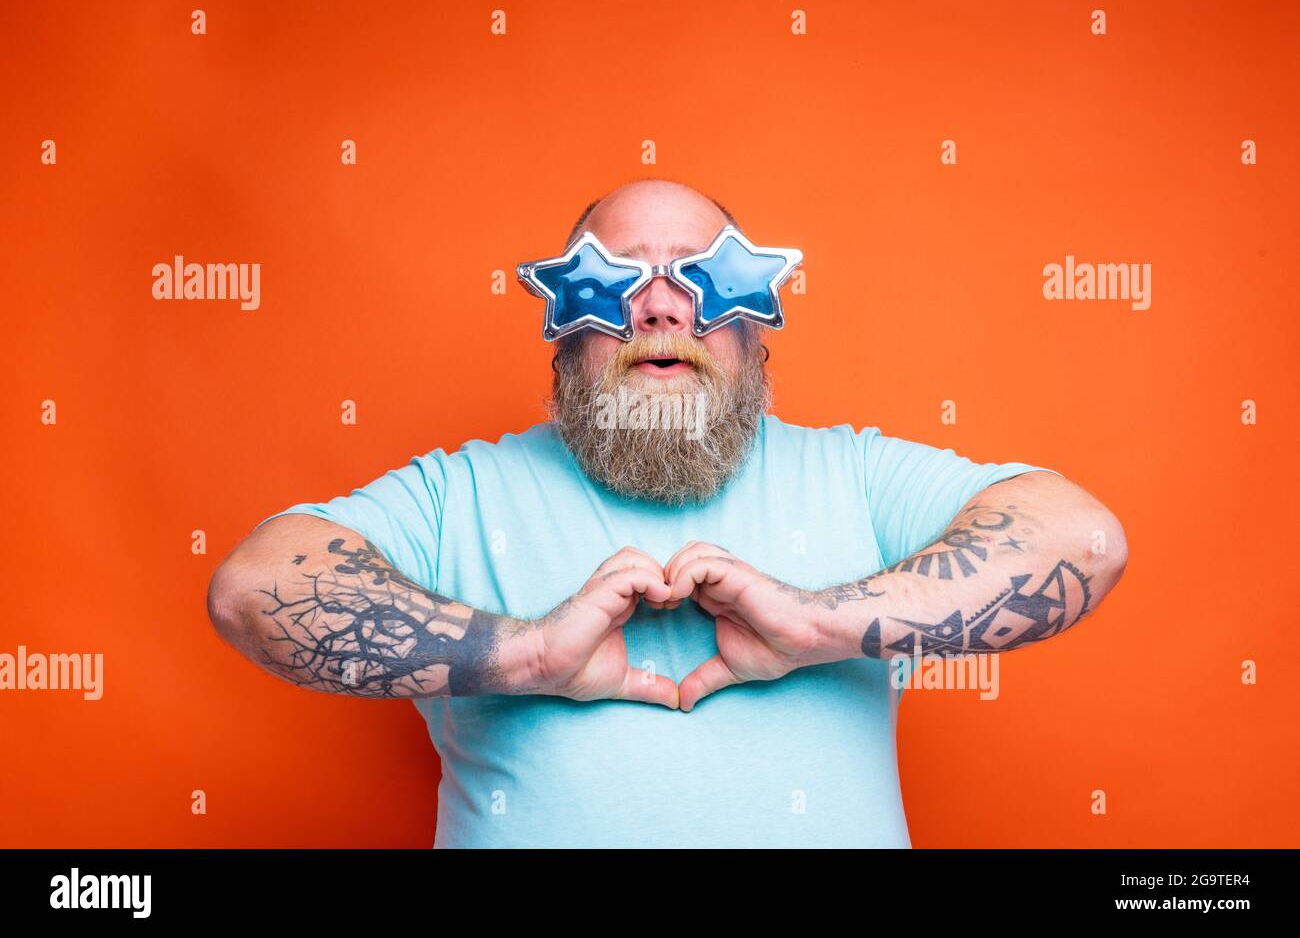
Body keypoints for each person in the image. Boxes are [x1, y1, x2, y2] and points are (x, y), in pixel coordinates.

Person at [206, 178, 1128, 847]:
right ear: (565, 322)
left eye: (704, 277)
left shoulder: (854, 473)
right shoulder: (461, 494)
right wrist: (526, 655)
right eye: (612, 280)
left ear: (754, 325)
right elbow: (254, 588)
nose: (659, 307)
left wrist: (816, 623)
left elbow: (1083, 539)